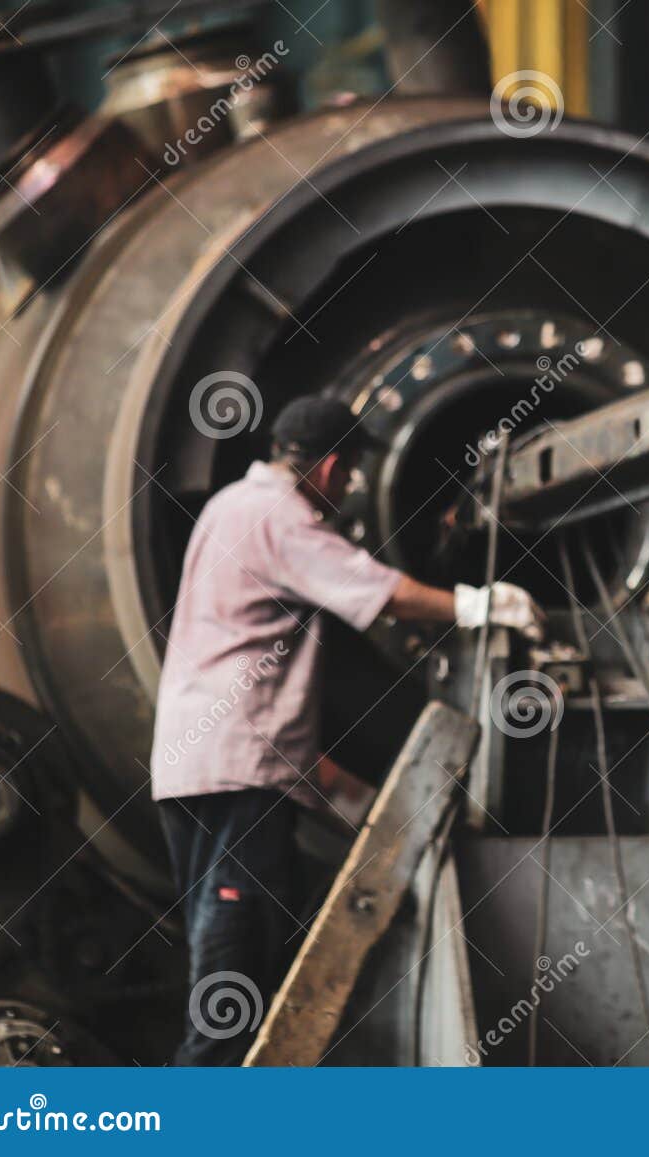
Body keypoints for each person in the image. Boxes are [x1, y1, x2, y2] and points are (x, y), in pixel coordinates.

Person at [149, 394, 542, 1064]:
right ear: (330, 467)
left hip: (191, 766)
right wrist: (479, 604)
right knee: (234, 970)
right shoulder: (280, 515)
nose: (351, 487)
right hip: (241, 765)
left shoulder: (228, 506)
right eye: (352, 471)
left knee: (234, 952)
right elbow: (377, 590)